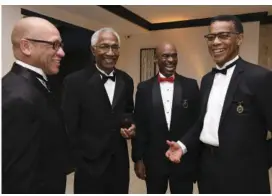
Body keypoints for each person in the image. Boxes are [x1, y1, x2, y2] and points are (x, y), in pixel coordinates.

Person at [165, 15, 272, 193]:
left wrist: (258, 162)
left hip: (245, 175)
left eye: (223, 36)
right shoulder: (206, 80)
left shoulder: (260, 78)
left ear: (239, 38)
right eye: (211, 37)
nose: (215, 42)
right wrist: (182, 146)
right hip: (207, 170)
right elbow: (203, 122)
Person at [2, 17, 71, 193]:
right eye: (54, 45)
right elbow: (17, 178)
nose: (62, 52)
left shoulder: (34, 83)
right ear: (26, 46)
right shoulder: (18, 96)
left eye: (61, 45)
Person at [62, 27, 135, 194]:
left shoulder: (126, 80)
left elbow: (129, 112)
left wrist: (132, 125)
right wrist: (78, 160)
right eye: (104, 46)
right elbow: (69, 125)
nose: (110, 52)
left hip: (119, 163)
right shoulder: (74, 82)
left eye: (115, 47)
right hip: (88, 163)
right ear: (93, 50)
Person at [132, 42, 200, 193]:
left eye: (174, 56)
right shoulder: (144, 88)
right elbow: (140, 126)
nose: (171, 60)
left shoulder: (191, 86)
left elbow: (197, 123)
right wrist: (138, 159)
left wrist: (195, 158)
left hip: (183, 159)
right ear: (156, 59)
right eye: (165, 56)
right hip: (154, 161)